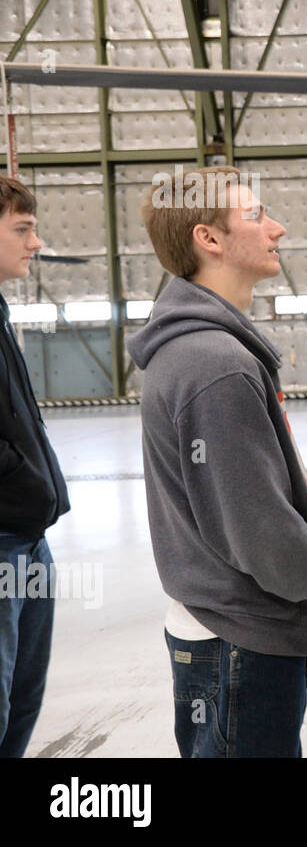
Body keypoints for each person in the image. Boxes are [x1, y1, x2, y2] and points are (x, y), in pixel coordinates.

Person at [128, 166, 307, 757]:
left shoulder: (198, 350)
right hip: (241, 644)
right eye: (256, 215)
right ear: (209, 238)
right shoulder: (216, 365)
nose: (276, 228)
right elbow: (261, 530)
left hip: (217, 631)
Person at [0, 176, 69, 758]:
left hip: (27, 535)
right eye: (22, 229)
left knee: (23, 698)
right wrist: (23, 479)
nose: (36, 242)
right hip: (4, 536)